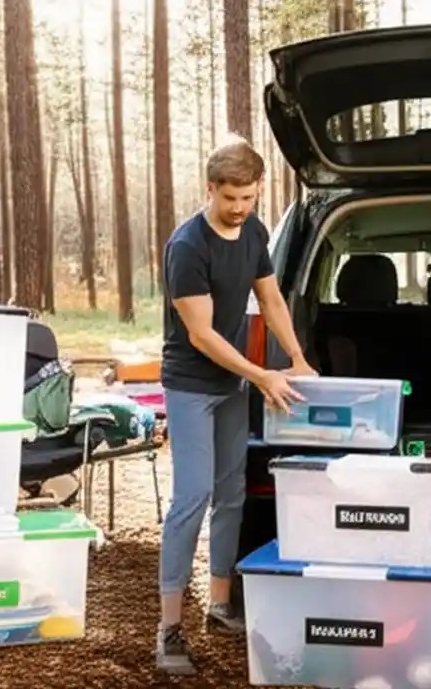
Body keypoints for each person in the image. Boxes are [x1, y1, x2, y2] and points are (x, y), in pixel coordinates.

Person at [155, 135, 315, 675]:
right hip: (191, 385)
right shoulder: (187, 246)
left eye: (249, 198)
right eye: (231, 199)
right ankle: (170, 627)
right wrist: (262, 373)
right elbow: (201, 335)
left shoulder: (255, 232)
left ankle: (220, 604)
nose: (241, 208)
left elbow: (270, 299)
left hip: (232, 386)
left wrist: (296, 359)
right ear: (211, 189)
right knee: (192, 497)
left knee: (232, 492)